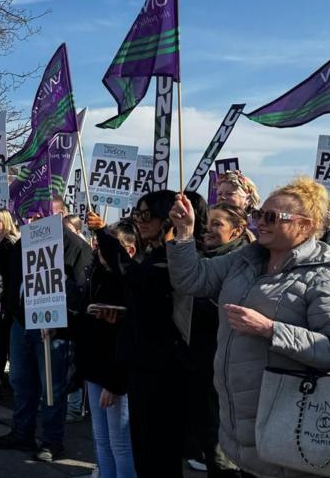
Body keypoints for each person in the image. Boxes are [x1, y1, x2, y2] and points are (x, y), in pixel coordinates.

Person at [168, 177, 330, 477]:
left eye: (271, 217)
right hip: (238, 423)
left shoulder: (324, 275)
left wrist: (271, 329)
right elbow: (191, 279)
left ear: (305, 226)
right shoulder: (246, 258)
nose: (261, 223)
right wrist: (183, 233)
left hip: (288, 428)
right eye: (259, 215)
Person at [86, 190, 205, 477]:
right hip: (141, 365)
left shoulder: (176, 257)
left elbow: (137, 278)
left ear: (168, 218)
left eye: (146, 215)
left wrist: (104, 234)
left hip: (163, 370)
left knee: (159, 452)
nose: (139, 221)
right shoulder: (151, 256)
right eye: (137, 214)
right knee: (143, 451)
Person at [0, 204, 93, 462]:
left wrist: (61, 316)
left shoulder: (74, 246)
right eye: (31, 215)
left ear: (58, 216)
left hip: (52, 328)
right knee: (21, 381)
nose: (34, 219)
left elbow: (81, 289)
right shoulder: (24, 241)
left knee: (52, 387)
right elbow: (9, 272)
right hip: (22, 322)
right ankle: (22, 432)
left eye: (40, 214)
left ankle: (52, 441)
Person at [183, 204, 252, 476]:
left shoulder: (245, 264)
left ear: (238, 230)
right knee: (209, 439)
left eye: (217, 224)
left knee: (221, 447)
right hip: (200, 365)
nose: (208, 230)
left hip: (226, 369)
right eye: (207, 223)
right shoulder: (202, 260)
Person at [75, 219, 140, 478]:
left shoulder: (129, 283)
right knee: (101, 439)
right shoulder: (97, 274)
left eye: (109, 245)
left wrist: (115, 383)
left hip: (114, 375)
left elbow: (128, 338)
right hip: (94, 368)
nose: (100, 249)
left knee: (121, 444)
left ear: (130, 250)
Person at [0, 209, 20, 402]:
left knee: (6, 347)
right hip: (0, 302)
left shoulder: (10, 244)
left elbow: (4, 268)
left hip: (9, 304)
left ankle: (3, 383)